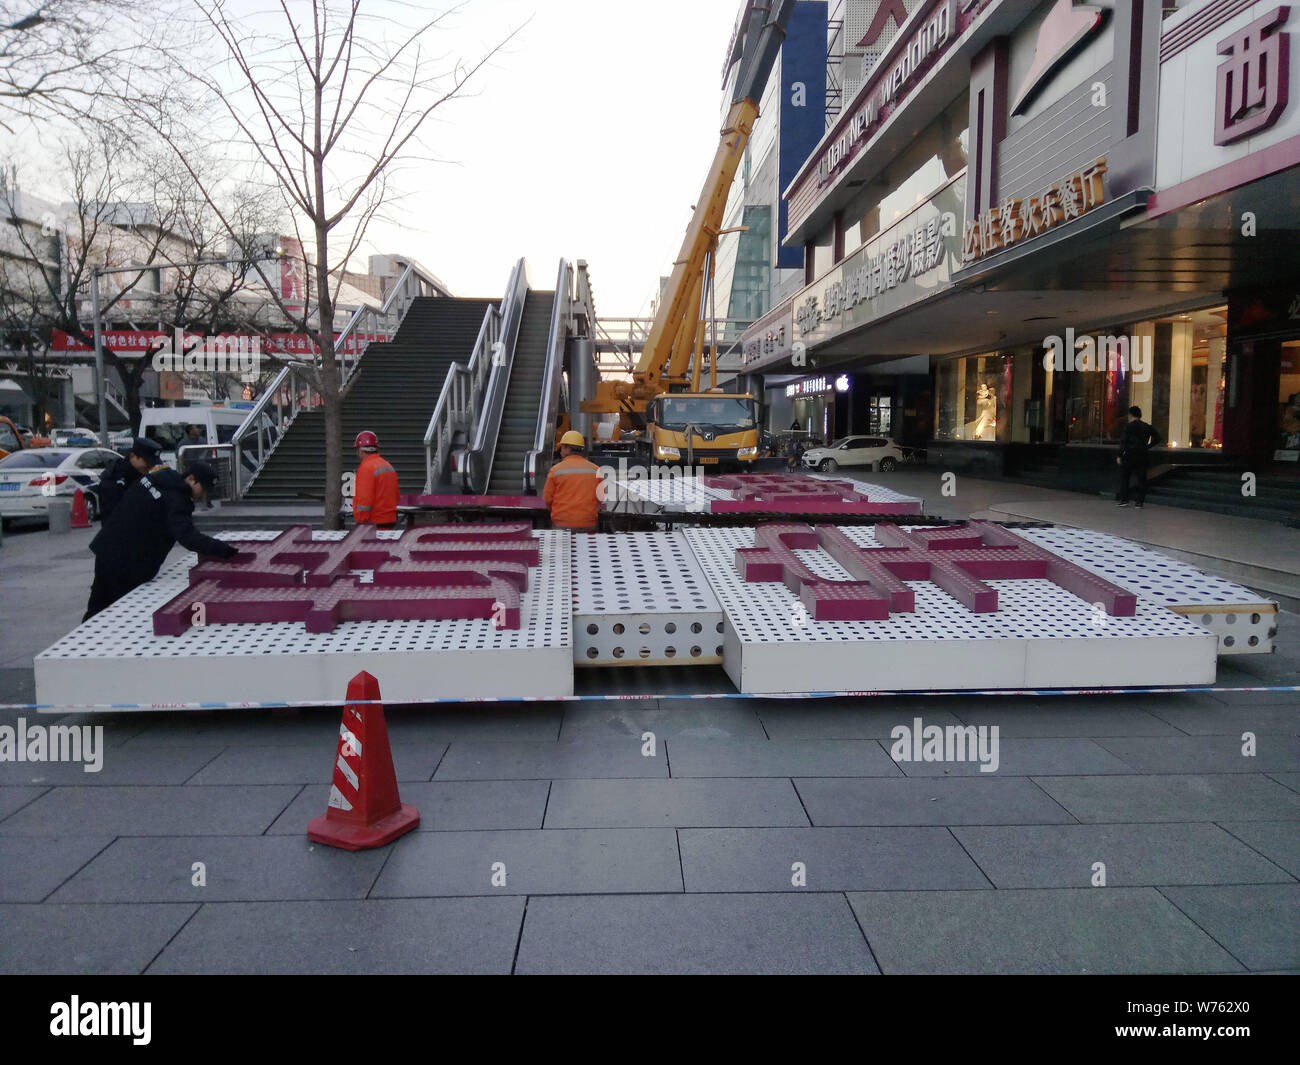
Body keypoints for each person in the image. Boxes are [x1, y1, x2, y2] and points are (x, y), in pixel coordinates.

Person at [82, 460, 238, 620]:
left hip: (106, 547)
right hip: (127, 564)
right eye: (203, 488)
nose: (203, 494)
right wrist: (223, 549)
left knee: (97, 605)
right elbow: (188, 537)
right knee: (118, 614)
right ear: (191, 479)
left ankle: (85, 632)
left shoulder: (158, 477)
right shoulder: (178, 501)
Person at [544, 430, 601, 531]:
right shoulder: (596, 470)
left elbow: (548, 499)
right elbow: (601, 497)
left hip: (562, 523)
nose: (560, 451)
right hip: (588, 523)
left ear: (567, 447)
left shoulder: (555, 470)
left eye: (562, 447)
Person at [97, 437, 163, 521]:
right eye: (148, 462)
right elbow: (113, 518)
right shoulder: (114, 480)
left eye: (153, 463)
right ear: (133, 456)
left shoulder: (143, 476)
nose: (150, 467)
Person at [352, 430, 399, 529]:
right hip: (390, 521)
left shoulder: (366, 468)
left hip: (373, 523)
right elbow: (396, 496)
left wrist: (361, 523)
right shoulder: (387, 465)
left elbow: (364, 500)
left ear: (361, 450)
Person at [1116, 405, 1159, 508]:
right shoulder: (1146, 426)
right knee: (1141, 479)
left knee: (1125, 477)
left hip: (1129, 455)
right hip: (1142, 455)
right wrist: (1148, 446)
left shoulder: (1128, 427)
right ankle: (1139, 502)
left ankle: (1124, 499)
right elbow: (1158, 437)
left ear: (1130, 415)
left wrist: (1119, 455)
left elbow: (1124, 442)